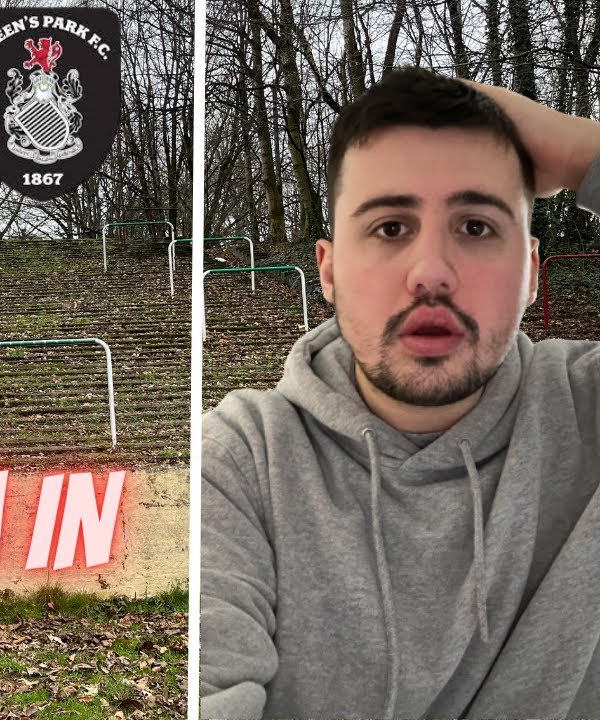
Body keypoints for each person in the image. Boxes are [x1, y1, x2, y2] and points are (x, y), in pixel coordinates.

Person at [201, 67, 600, 718]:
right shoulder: (243, 464)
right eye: (390, 228)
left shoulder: (589, 412)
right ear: (328, 271)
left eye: (476, 227)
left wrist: (586, 153)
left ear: (531, 271)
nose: (432, 275)